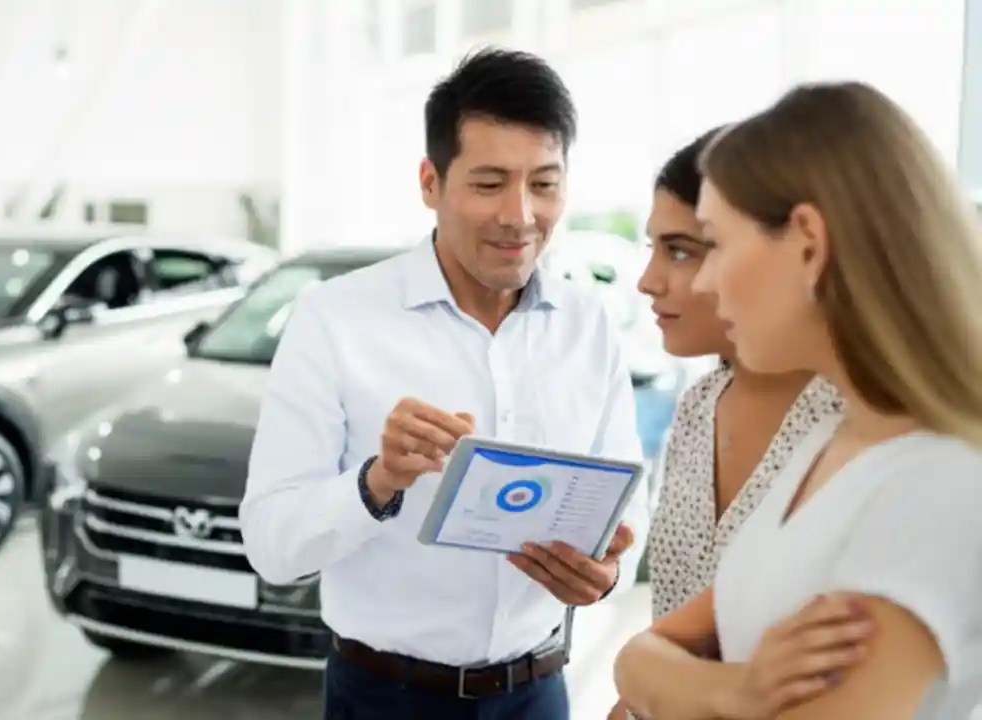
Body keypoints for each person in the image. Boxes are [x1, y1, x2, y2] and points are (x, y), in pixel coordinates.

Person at [239, 48, 649, 720]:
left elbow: (624, 500)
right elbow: (273, 546)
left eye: (544, 184)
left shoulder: (589, 324)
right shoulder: (336, 320)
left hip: (539, 691)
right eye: (489, 184)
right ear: (430, 182)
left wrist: (606, 575)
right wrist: (377, 481)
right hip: (384, 698)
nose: (520, 216)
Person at [613, 81, 982, 719]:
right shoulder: (831, 444)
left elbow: (654, 666)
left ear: (808, 243)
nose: (704, 279)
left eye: (715, 243)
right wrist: (737, 693)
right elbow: (636, 657)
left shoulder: (937, 482)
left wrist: (679, 690)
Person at [607, 128, 846, 720]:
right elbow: (667, 631)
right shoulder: (697, 406)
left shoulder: (858, 428)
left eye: (684, 249)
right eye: (652, 248)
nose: (648, 280)